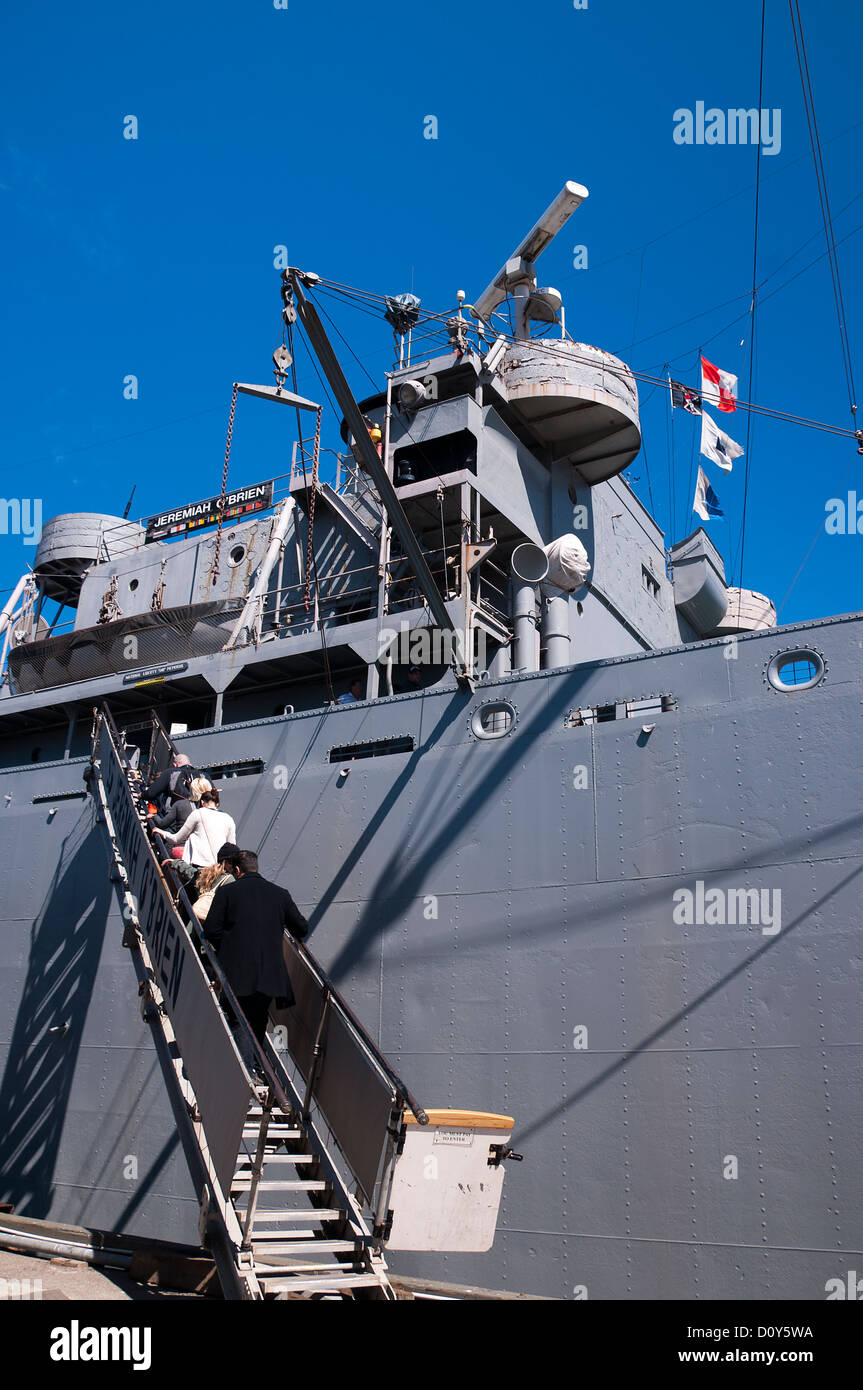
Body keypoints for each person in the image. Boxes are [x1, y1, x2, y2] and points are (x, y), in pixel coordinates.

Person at [203, 850, 308, 1077]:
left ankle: (247, 1071)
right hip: (271, 973)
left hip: (237, 970)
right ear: (255, 867)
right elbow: (302, 928)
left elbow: (211, 929)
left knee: (237, 1018)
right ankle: (260, 1068)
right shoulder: (279, 894)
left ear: (237, 870)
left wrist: (230, 946)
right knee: (258, 1018)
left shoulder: (227, 893)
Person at [160, 786, 236, 868]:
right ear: (217, 804)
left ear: (202, 803)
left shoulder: (197, 813)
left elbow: (176, 839)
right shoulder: (229, 818)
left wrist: (161, 832)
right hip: (219, 868)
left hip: (200, 866)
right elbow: (232, 846)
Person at [192, 843, 242, 922]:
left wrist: (176, 863)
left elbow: (190, 872)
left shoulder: (207, 872)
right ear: (225, 861)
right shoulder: (230, 879)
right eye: (231, 862)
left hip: (195, 916)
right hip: (207, 923)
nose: (234, 865)